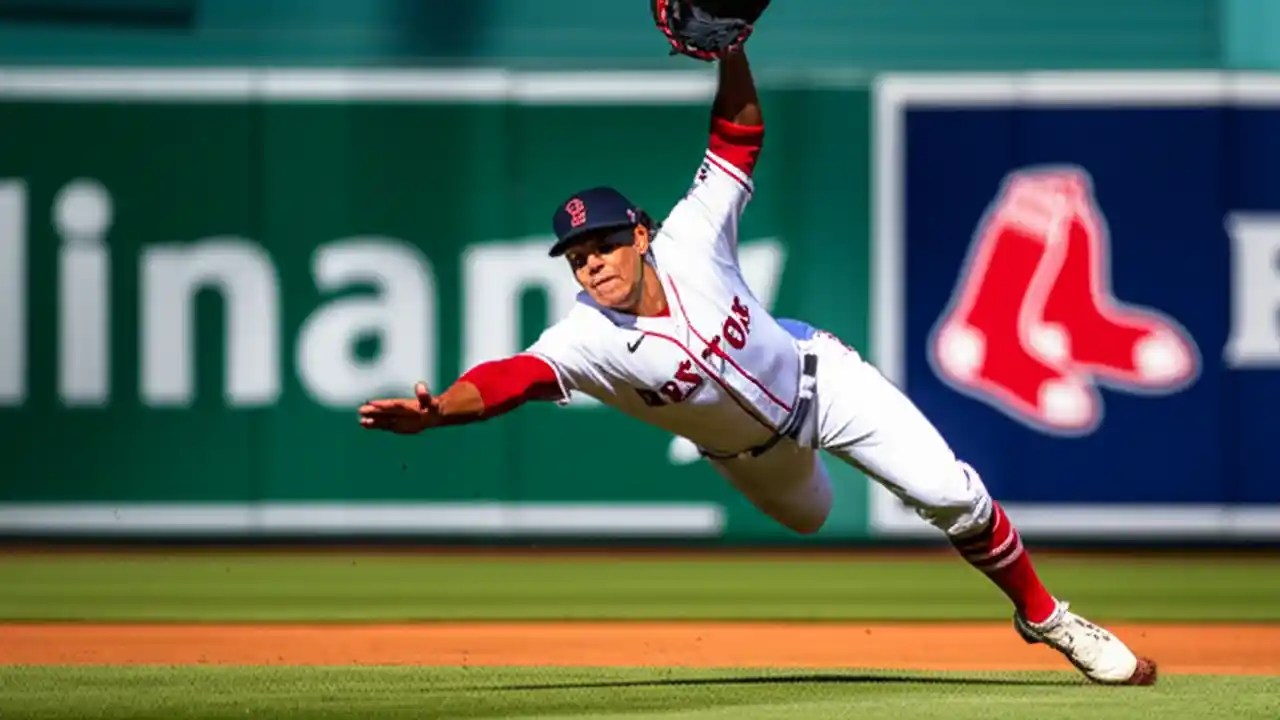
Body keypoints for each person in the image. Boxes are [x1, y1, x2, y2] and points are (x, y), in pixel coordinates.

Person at [357, 48, 1156, 686]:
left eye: (602, 243)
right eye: (575, 256)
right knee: (811, 517)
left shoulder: (691, 237)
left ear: (638, 233)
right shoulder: (584, 337)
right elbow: (511, 378)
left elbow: (737, 136)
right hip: (753, 461)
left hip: (823, 382)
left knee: (952, 494)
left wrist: (731, 51)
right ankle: (832, 499)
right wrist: (439, 412)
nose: (591, 264)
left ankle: (1047, 616)